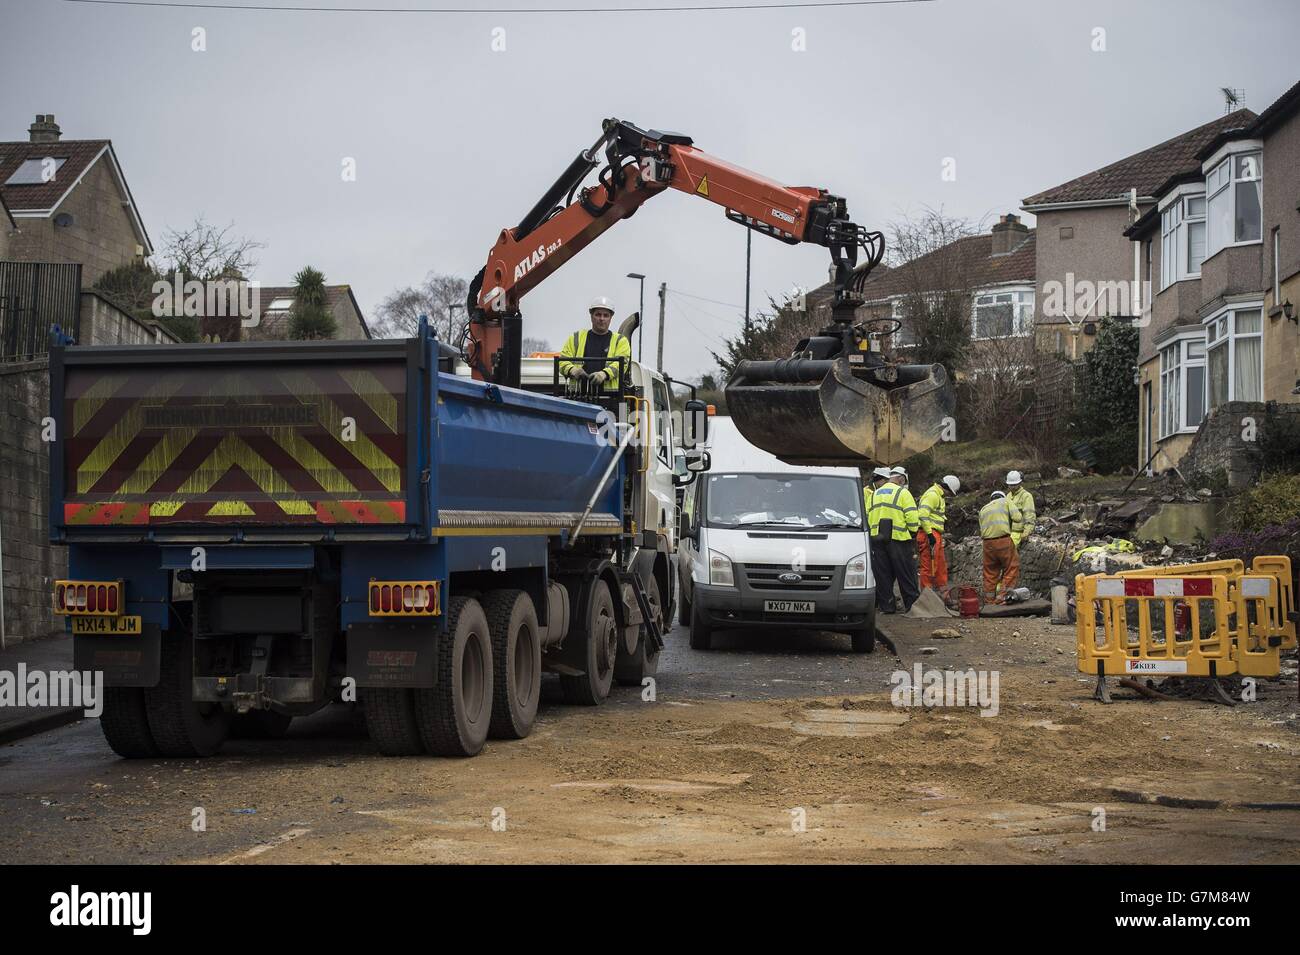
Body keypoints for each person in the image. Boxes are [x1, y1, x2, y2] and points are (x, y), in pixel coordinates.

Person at [869, 469, 920, 613]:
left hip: (877, 540)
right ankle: (911, 606)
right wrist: (913, 532)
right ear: (902, 479)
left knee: (883, 575)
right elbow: (912, 517)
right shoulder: (903, 493)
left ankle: (887, 607)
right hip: (898, 539)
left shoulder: (874, 494)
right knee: (906, 573)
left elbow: (867, 516)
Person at [558, 296, 631, 391]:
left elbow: (622, 365)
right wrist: (573, 370)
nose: (602, 318)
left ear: (610, 318)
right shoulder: (576, 338)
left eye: (606, 315)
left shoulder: (620, 341)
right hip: (578, 398)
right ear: (591, 316)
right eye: (598, 314)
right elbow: (562, 361)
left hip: (609, 399)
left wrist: (604, 374)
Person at [917, 474, 960, 590]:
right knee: (929, 567)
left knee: (940, 566)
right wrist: (930, 534)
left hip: (935, 534)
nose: (949, 495)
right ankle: (927, 597)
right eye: (950, 493)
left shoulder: (938, 496)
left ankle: (944, 594)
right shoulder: (932, 495)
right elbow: (922, 514)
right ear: (947, 488)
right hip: (928, 533)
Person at [979, 490, 1023, 603]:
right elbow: (1018, 517)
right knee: (1011, 567)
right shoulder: (1006, 501)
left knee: (990, 572)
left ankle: (989, 600)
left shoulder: (983, 509)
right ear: (1002, 497)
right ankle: (1002, 597)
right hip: (1002, 540)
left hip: (987, 544)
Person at [1005, 470, 1036, 549]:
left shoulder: (1026, 496)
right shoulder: (1007, 496)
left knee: (1008, 552)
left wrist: (1027, 532)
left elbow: (1029, 515)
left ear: (1020, 483)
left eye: (1014, 484)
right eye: (1010, 485)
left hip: (1019, 532)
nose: (1012, 487)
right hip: (1008, 533)